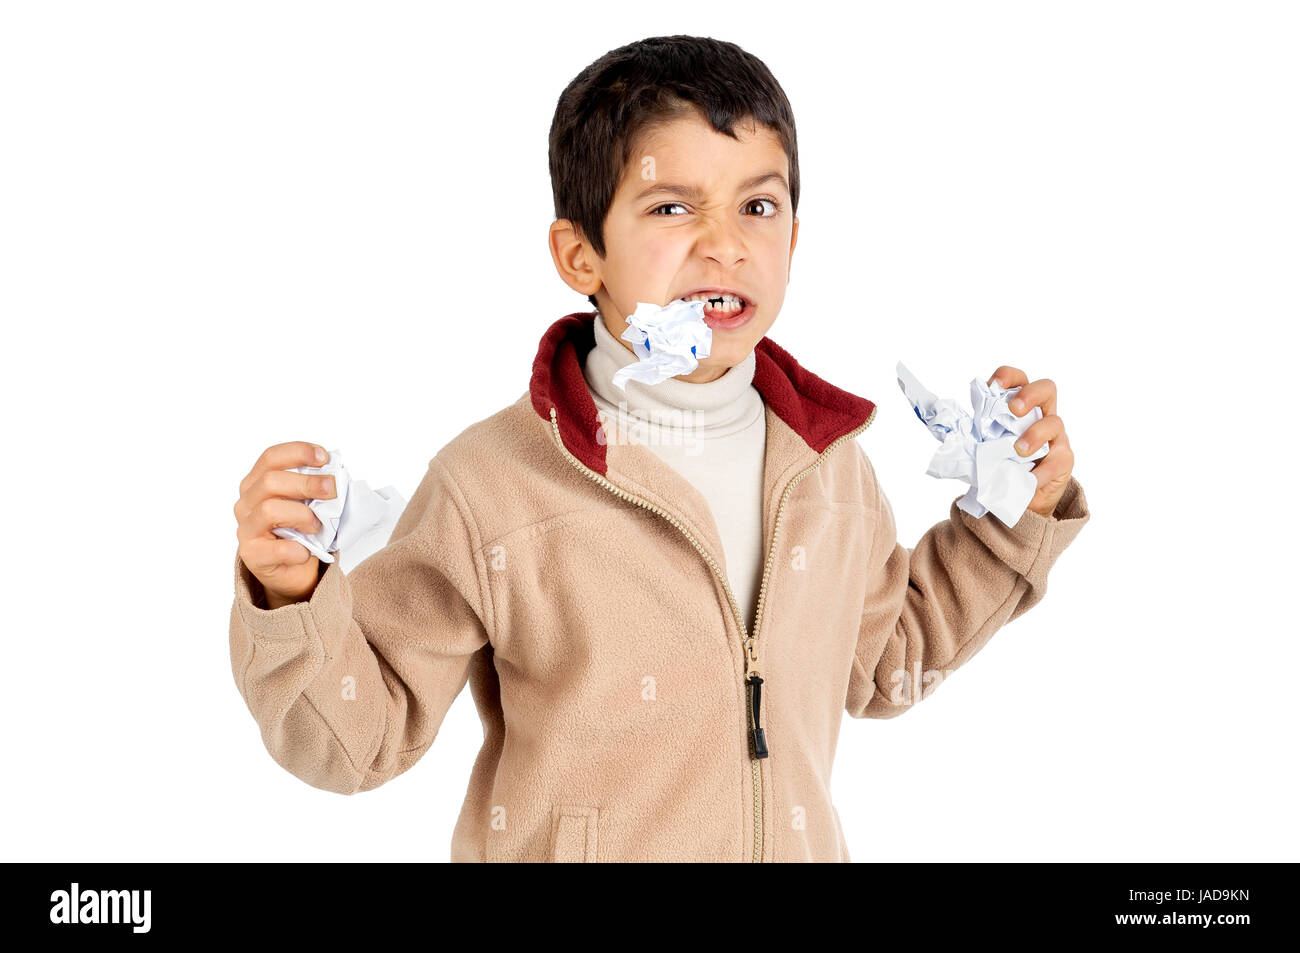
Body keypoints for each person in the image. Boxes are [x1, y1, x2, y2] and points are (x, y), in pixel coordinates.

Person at [229, 34, 1090, 862]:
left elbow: (881, 664)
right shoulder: (490, 486)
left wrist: (1013, 516)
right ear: (580, 253)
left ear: (795, 238)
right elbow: (356, 743)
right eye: (672, 207)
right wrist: (290, 597)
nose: (726, 243)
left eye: (760, 206)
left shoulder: (828, 468)